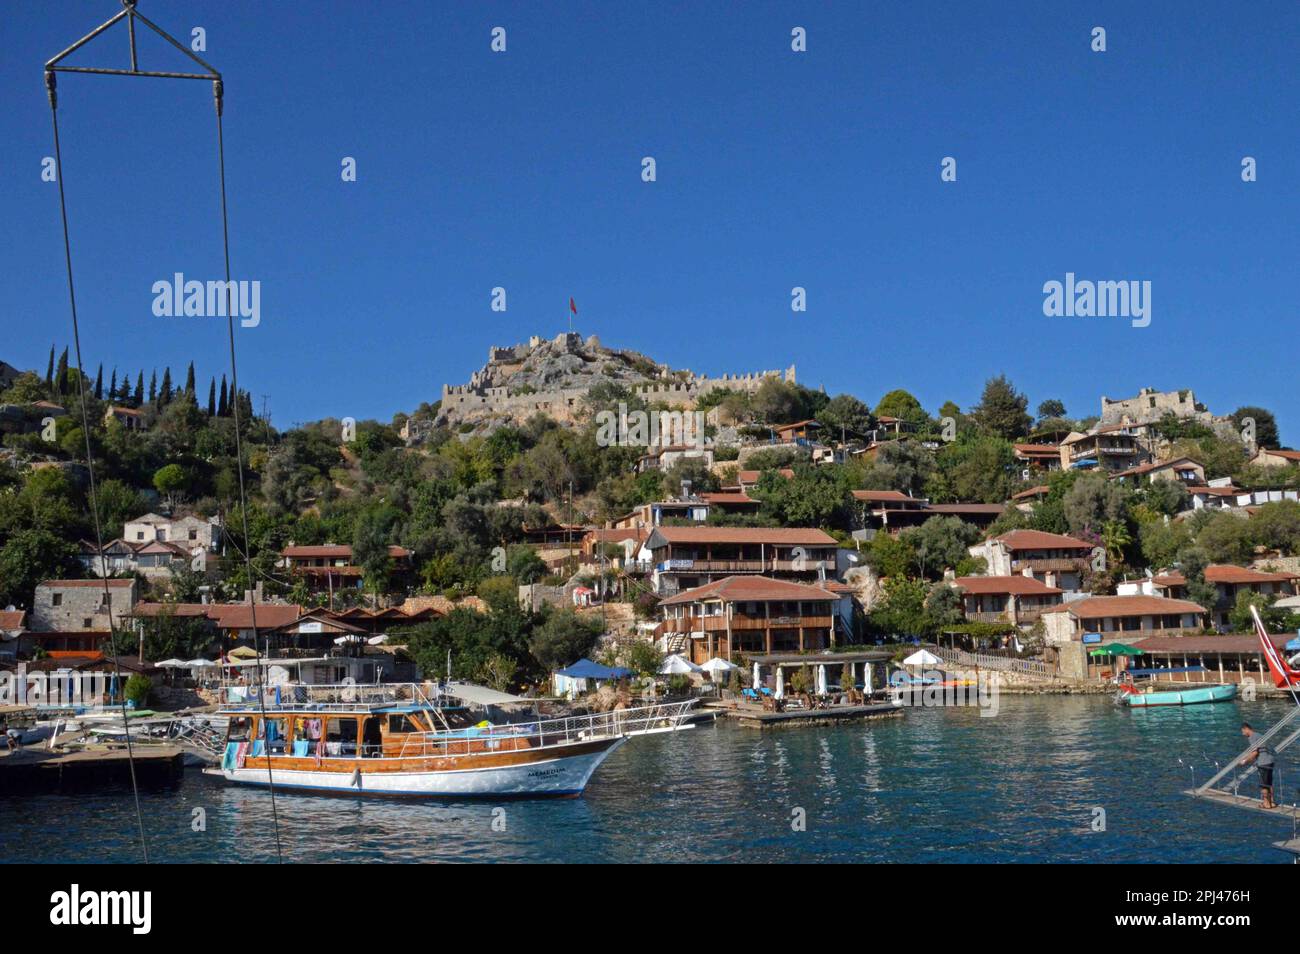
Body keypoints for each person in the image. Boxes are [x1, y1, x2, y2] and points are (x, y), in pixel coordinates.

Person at [1241, 722, 1276, 810]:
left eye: (1243, 731)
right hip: (1270, 761)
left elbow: (1255, 752)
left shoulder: (1252, 737)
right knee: (1269, 783)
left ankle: (1266, 804)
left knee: (1263, 785)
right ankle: (1272, 802)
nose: (1243, 734)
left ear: (1246, 729)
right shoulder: (1259, 735)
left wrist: (1245, 761)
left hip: (1263, 763)